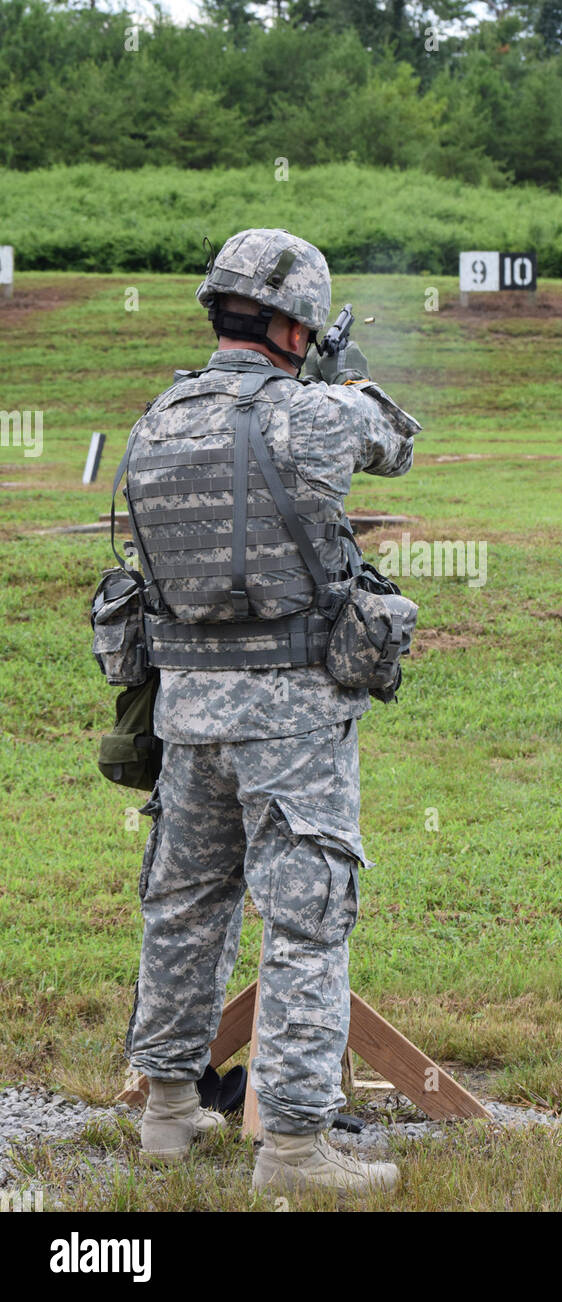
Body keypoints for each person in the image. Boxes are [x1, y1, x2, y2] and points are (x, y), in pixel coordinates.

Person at [121, 228, 420, 1197]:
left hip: (183, 715)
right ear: (295, 323)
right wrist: (344, 378)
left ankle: (167, 1115)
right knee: (304, 921)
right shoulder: (312, 417)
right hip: (289, 718)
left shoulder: (158, 415)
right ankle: (292, 1150)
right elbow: (396, 440)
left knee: (182, 908)